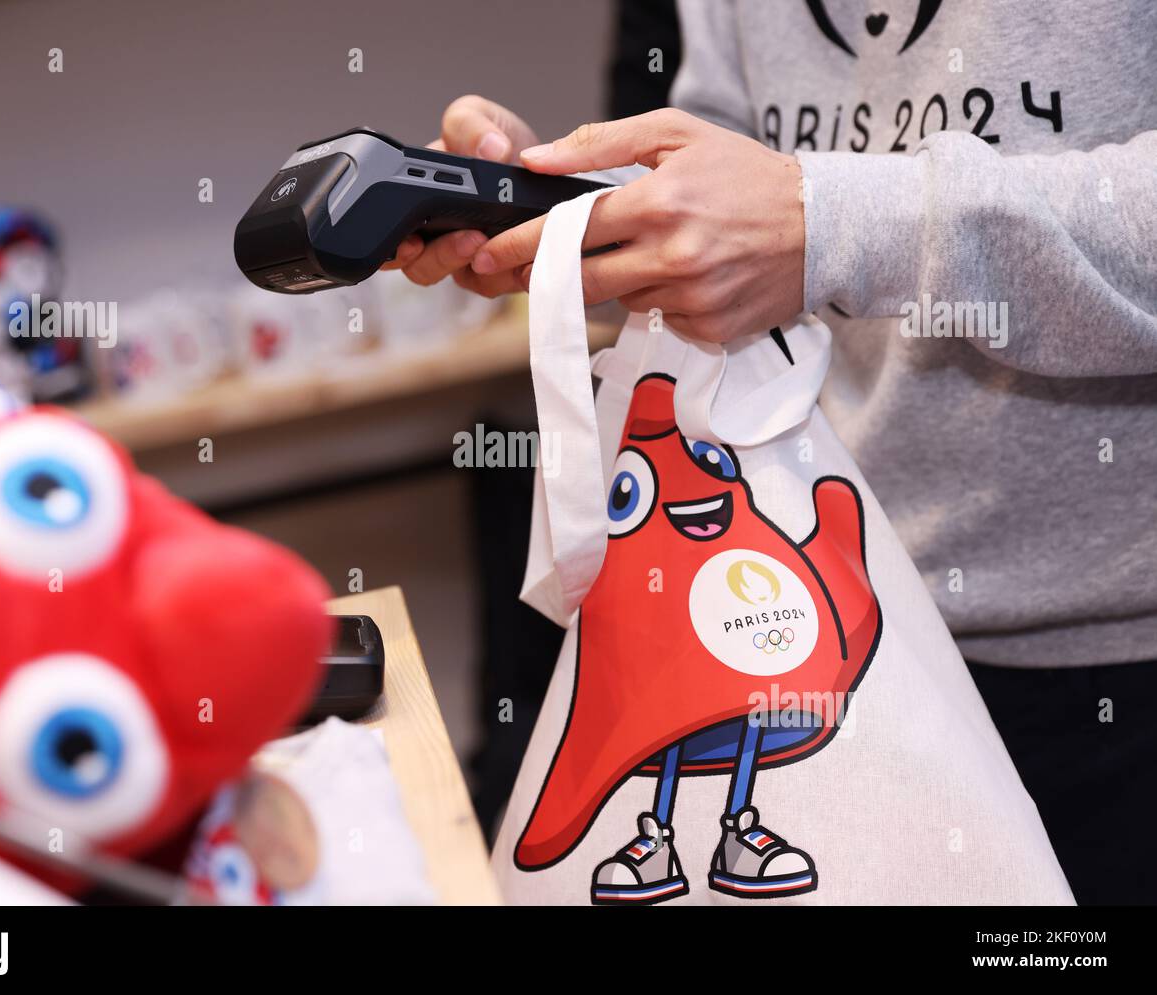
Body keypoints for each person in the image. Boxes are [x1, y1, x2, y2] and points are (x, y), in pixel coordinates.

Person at [393, 1, 1157, 904]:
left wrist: (822, 221)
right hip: (834, 629)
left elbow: (794, 220)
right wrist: (571, 212)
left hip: (1112, 672)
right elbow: (730, 201)